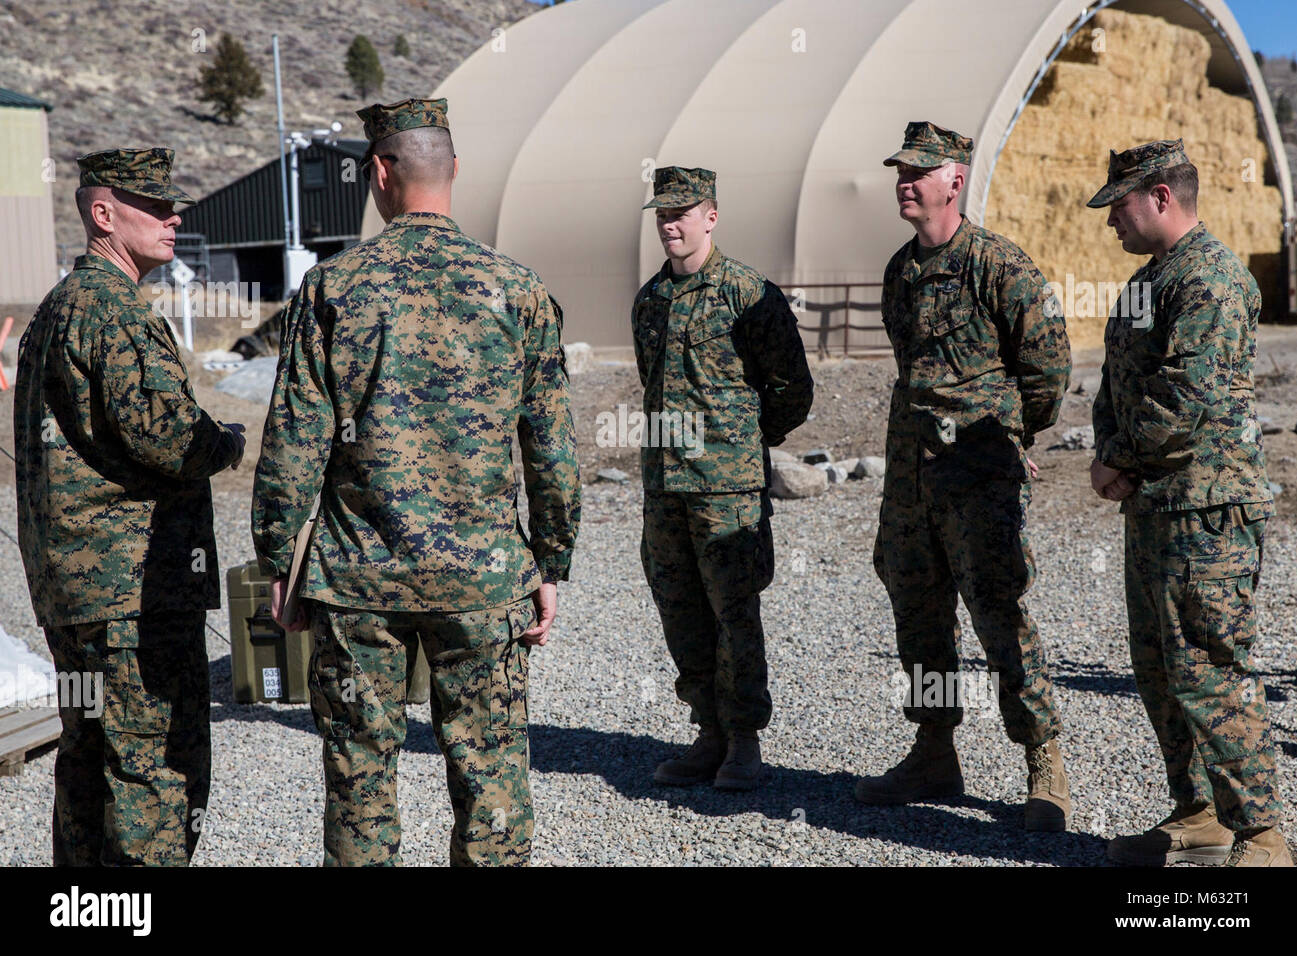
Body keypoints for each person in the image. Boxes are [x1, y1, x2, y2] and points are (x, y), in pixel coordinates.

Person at [251, 97, 580, 867]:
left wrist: (278, 561)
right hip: (484, 577)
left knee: (361, 774)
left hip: (357, 580)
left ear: (378, 172)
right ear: (454, 171)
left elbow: (293, 441)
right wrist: (551, 563)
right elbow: (553, 450)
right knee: (492, 770)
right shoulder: (517, 288)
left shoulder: (332, 290)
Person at [14, 147, 246, 865]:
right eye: (154, 206)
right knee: (151, 777)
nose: (173, 218)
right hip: (130, 598)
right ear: (104, 214)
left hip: (76, 593)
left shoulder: (59, 307)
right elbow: (167, 436)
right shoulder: (111, 310)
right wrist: (227, 442)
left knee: (89, 771)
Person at [855, 122, 1073, 831]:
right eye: (899, 171)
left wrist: (1010, 438)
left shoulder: (999, 264)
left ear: (955, 179)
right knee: (918, 615)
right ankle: (933, 751)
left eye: (919, 172)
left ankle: (1044, 764)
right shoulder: (901, 270)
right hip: (912, 480)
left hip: (977, 476)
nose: (904, 182)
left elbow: (1048, 369)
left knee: (998, 612)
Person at [1087, 138, 1293, 867]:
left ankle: (1263, 835)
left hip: (1207, 510)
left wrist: (1117, 458)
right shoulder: (1150, 281)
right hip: (1155, 504)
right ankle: (1200, 812)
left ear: (1162, 197)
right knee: (1159, 668)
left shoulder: (1210, 279)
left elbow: (1188, 398)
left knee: (1210, 667)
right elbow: (1116, 383)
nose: (1111, 221)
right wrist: (1109, 450)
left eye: (1120, 206)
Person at [633, 166, 813, 791]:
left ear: (711, 216)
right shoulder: (650, 300)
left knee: (734, 615)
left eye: (682, 212)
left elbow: (792, 387)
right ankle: (707, 731)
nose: (671, 224)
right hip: (665, 489)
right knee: (680, 612)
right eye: (662, 214)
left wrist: (745, 443)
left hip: (727, 489)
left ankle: (743, 740)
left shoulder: (746, 292)